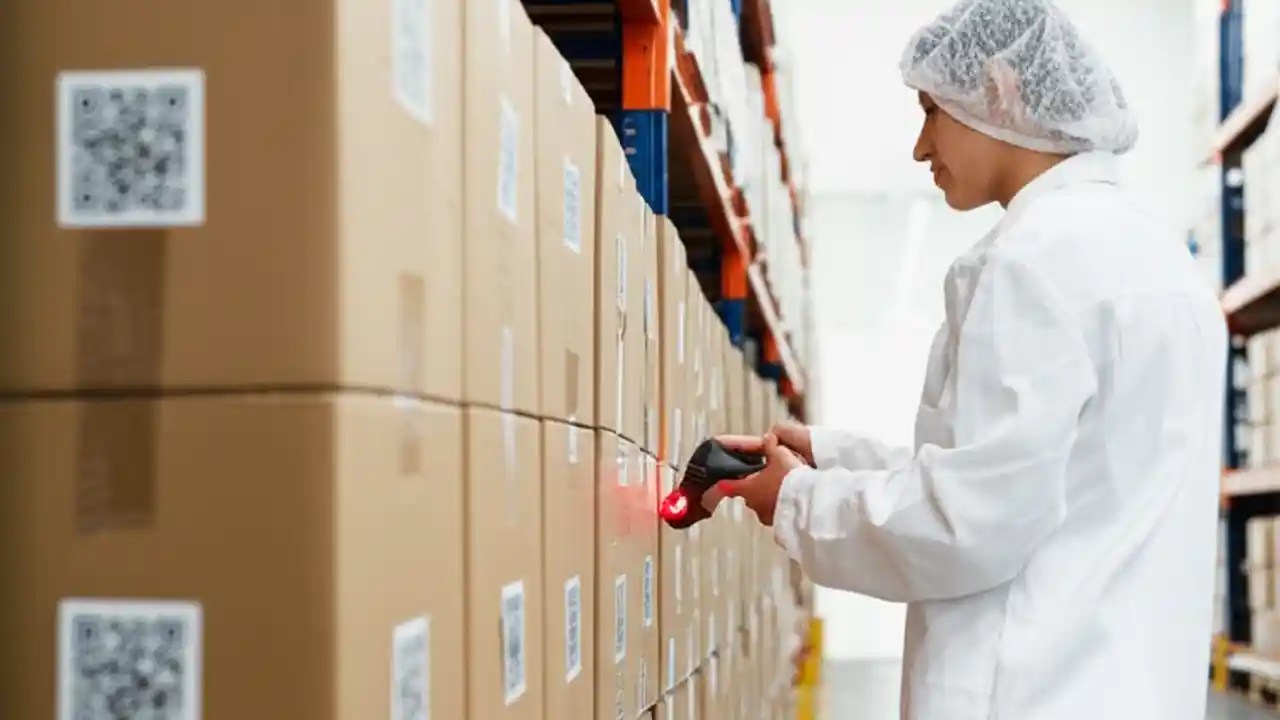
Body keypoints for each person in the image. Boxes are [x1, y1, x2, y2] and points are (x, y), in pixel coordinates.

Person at [717, 1, 1228, 718]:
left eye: (930, 110)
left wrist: (796, 501)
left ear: (1000, 89)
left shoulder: (1035, 262)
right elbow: (1037, 478)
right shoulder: (1154, 258)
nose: (922, 147)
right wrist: (833, 457)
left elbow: (970, 522)